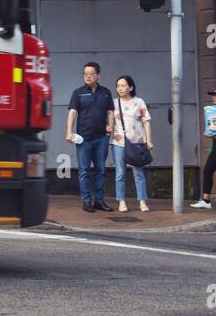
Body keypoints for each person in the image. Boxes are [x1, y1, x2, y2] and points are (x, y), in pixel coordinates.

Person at [65, 61, 115, 212]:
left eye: (91, 74)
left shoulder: (106, 92)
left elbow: (110, 111)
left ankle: (99, 201)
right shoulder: (78, 93)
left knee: (100, 170)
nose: (88, 76)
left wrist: (110, 125)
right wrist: (69, 132)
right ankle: (86, 201)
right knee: (84, 170)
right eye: (85, 74)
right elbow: (72, 112)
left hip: (101, 138)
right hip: (83, 138)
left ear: (98, 75)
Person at [110, 75, 152, 212]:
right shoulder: (114, 103)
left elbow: (146, 121)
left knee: (138, 173)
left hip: (136, 142)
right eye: (118, 86)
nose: (120, 88)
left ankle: (142, 201)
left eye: (123, 85)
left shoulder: (139, 102)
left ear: (130, 87)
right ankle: (121, 201)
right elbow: (109, 121)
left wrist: (148, 140)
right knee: (120, 173)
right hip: (118, 142)